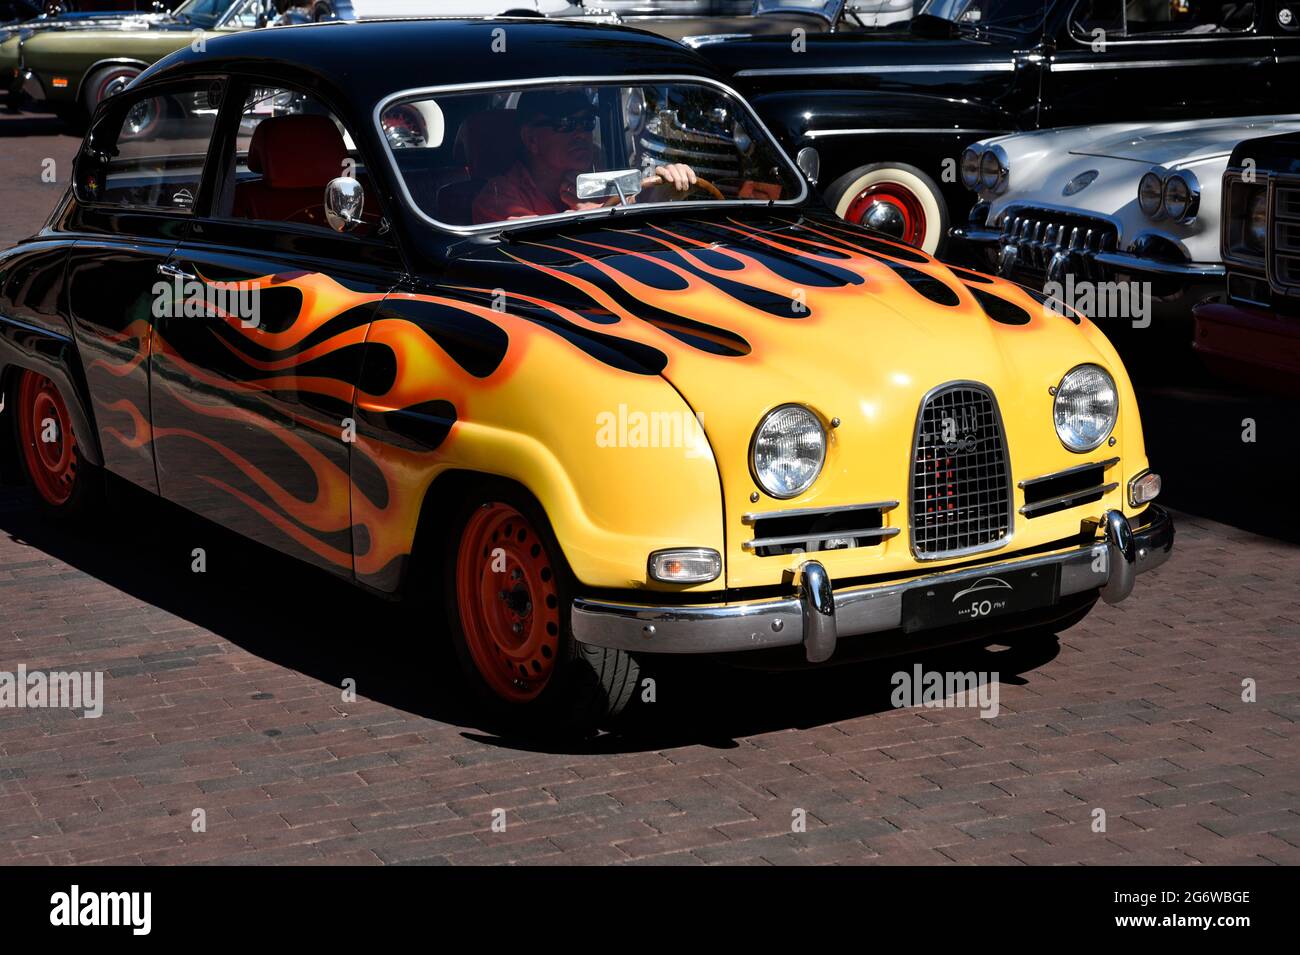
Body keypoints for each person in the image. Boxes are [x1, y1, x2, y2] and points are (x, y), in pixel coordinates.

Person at [472, 89, 698, 225]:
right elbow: (533, 253)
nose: (581, 133)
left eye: (587, 122)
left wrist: (665, 192)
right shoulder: (497, 198)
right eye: (565, 124)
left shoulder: (602, 172)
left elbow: (637, 207)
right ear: (531, 139)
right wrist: (592, 213)